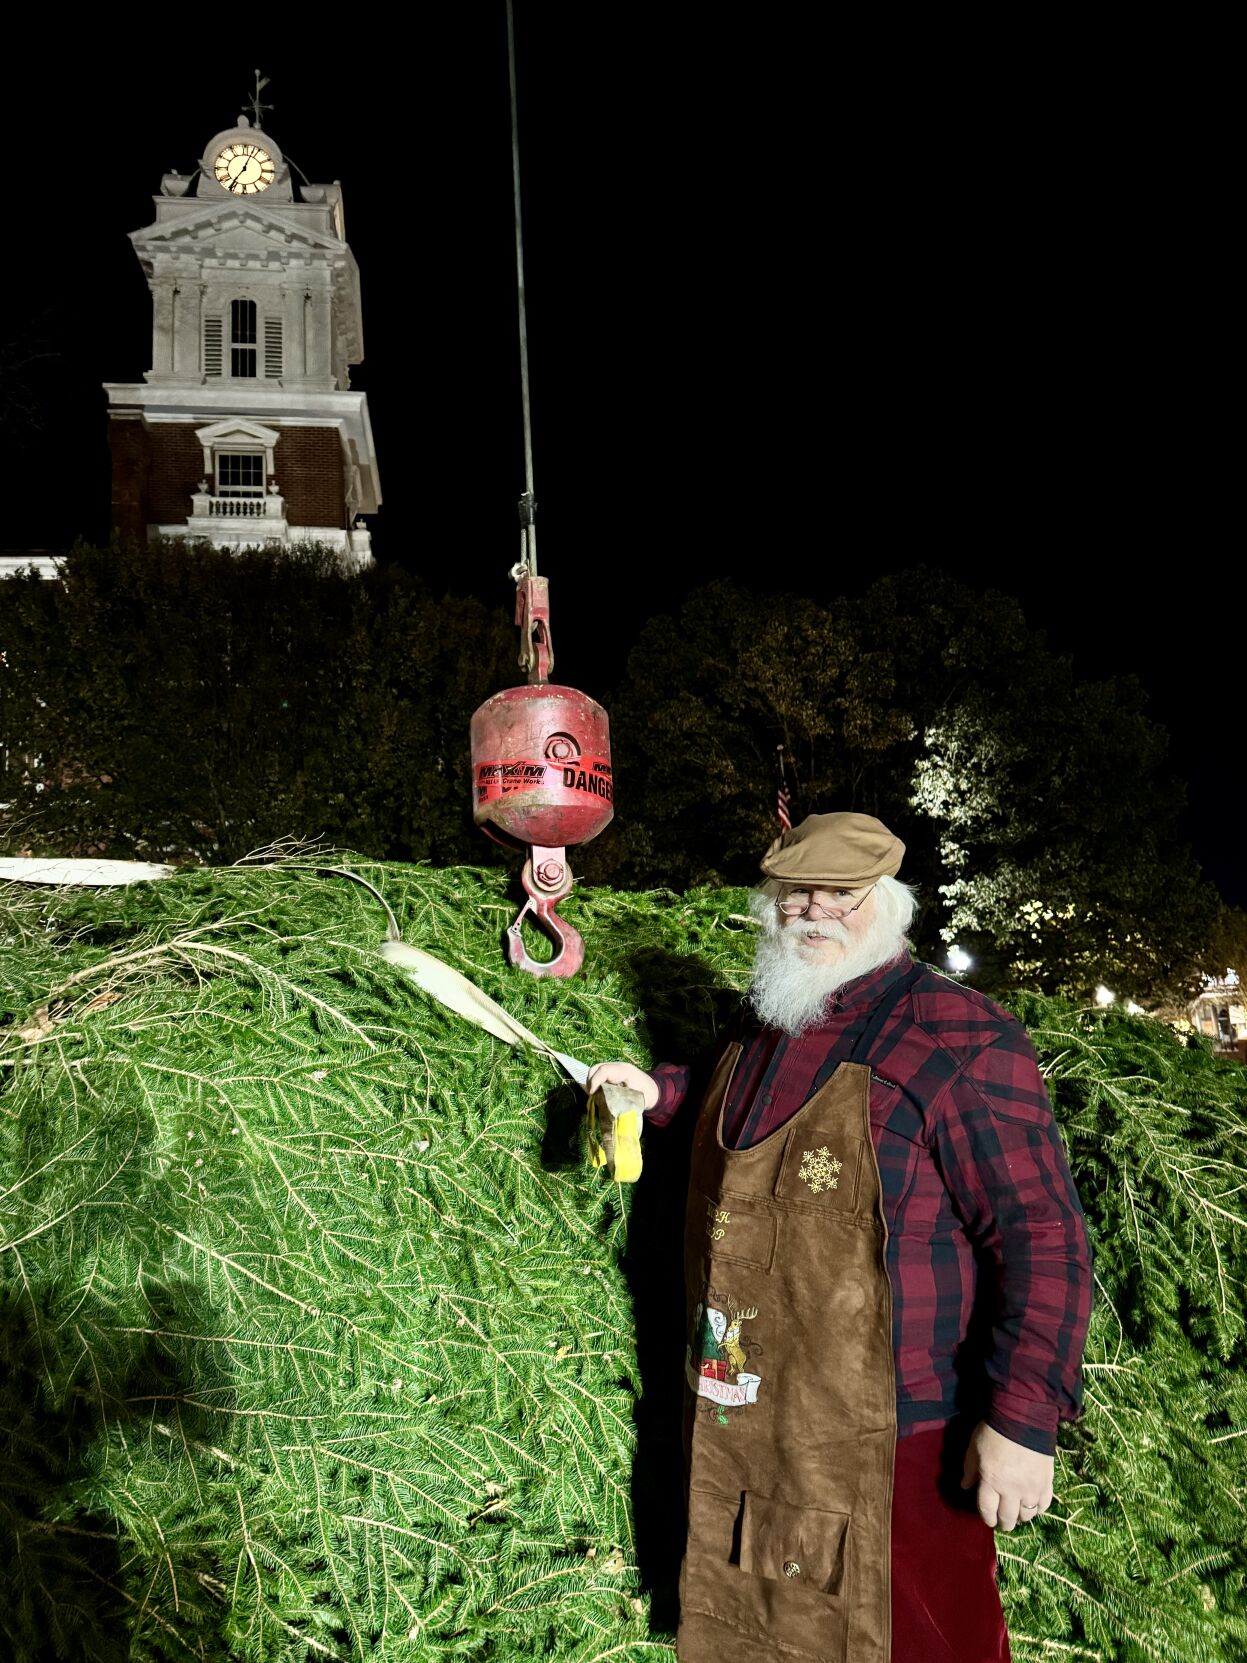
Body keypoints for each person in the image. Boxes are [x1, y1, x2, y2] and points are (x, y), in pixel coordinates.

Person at [587, 811, 1092, 1663]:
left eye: (839, 894)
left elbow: (1040, 1236)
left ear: (887, 903)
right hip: (740, 1407)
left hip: (892, 1443)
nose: (811, 912)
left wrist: (1020, 1422)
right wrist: (658, 1095)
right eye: (792, 895)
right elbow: (740, 1118)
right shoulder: (771, 1013)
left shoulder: (959, 1035)